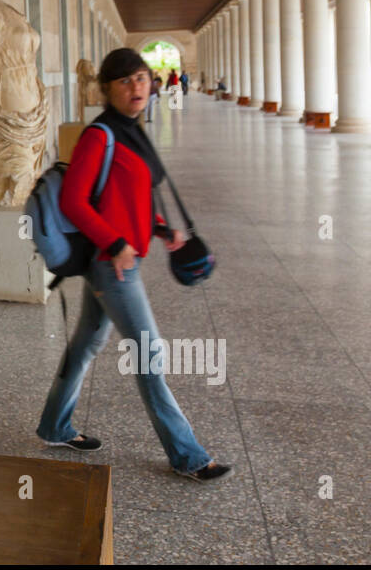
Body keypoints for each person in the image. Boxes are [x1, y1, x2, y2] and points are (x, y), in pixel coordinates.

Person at [35, 48, 232, 483]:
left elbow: (132, 198)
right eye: (125, 81)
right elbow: (74, 201)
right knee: (150, 354)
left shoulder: (130, 133)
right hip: (113, 265)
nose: (136, 87)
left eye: (141, 78)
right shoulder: (100, 135)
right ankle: (188, 455)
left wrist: (162, 230)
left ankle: (54, 426)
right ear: (106, 89)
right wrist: (116, 241)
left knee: (86, 343)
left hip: (122, 259)